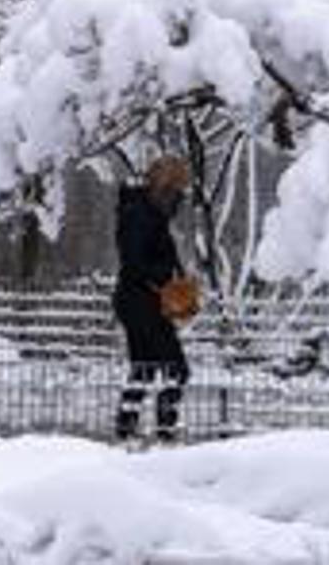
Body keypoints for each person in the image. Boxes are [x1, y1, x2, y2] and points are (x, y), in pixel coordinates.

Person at [113, 155, 191, 442]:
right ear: (164, 186)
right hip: (140, 301)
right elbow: (134, 261)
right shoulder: (139, 214)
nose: (179, 199)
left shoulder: (148, 212)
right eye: (177, 191)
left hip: (140, 299)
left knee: (144, 368)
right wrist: (164, 277)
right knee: (176, 368)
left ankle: (126, 426)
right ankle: (164, 430)